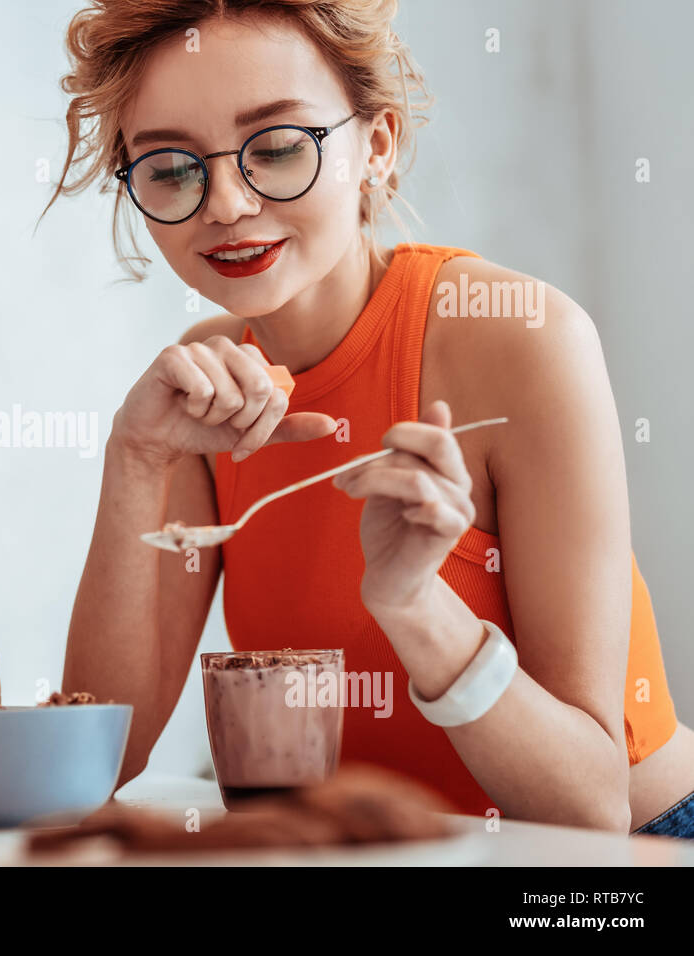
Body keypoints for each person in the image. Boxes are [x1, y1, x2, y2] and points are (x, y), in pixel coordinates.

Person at [44, 0, 694, 837]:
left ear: (377, 146)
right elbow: (92, 763)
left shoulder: (520, 340)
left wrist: (415, 603)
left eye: (277, 149)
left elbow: (588, 807)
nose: (228, 204)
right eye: (170, 168)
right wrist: (131, 458)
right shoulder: (202, 394)